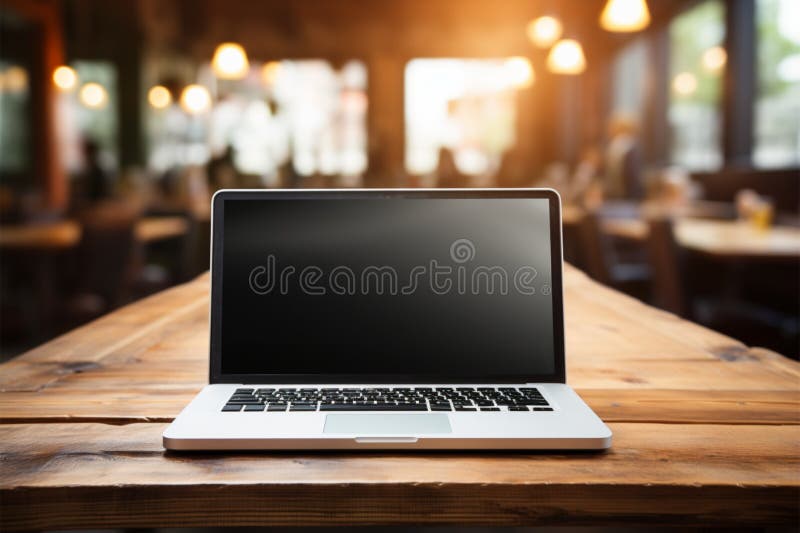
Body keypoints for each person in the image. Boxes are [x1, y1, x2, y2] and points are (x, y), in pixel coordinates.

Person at [604, 114, 644, 200]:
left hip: (613, 195)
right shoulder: (630, 146)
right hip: (628, 196)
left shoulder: (612, 146)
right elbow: (632, 175)